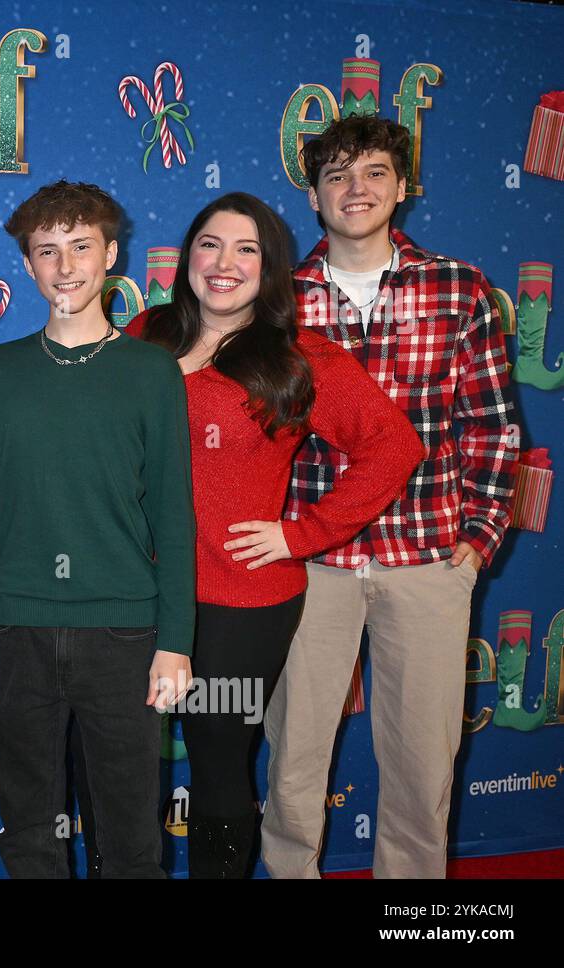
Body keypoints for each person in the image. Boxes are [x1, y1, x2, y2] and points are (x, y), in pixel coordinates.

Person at [128, 192, 424, 877]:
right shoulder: (143, 334)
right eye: (210, 244)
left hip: (236, 605)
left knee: (219, 760)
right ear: (187, 256)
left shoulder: (297, 358)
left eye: (246, 249)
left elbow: (393, 446)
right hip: (133, 594)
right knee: (125, 761)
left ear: (272, 268)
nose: (223, 262)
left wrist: (304, 534)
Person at [261, 117, 518, 878]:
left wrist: (476, 543)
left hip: (429, 559)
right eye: (337, 175)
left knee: (420, 766)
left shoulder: (459, 287)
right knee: (294, 760)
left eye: (373, 172)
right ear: (312, 195)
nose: (356, 189)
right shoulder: (277, 301)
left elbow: (494, 426)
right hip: (311, 563)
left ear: (402, 187)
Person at [0, 180, 195, 878]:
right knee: (29, 830)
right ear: (28, 266)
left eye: (81, 247)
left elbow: (173, 517)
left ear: (111, 254)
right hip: (17, 632)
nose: (66, 267)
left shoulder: (152, 371)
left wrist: (175, 643)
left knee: (128, 835)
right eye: (47, 251)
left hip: (124, 636)